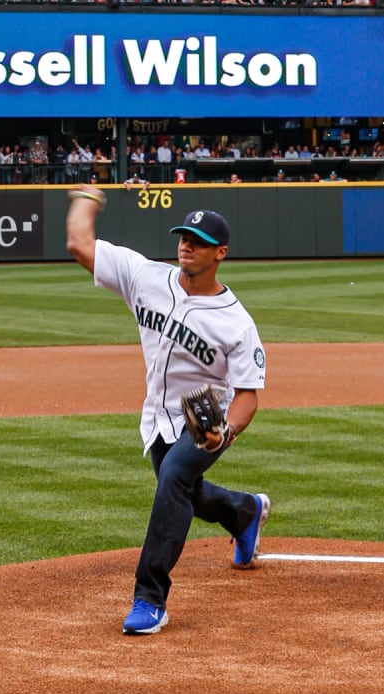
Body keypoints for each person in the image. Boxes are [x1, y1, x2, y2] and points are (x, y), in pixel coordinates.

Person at [65, 184, 270, 636]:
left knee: (176, 477)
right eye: (183, 236)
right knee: (180, 490)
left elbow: (248, 394)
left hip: (205, 415)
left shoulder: (236, 322)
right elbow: (79, 243)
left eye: (198, 241)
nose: (186, 245)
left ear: (221, 253)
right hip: (157, 414)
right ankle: (244, 513)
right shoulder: (145, 277)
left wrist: (226, 433)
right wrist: (88, 196)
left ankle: (149, 598)